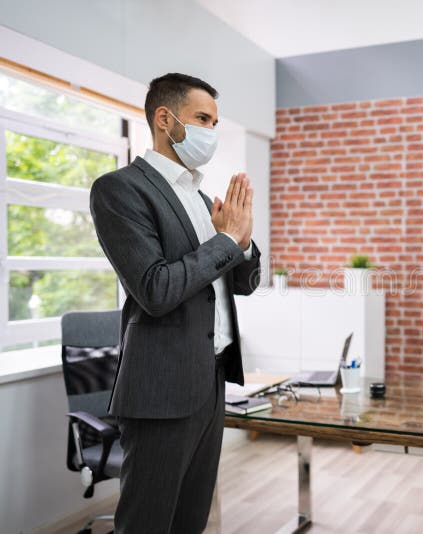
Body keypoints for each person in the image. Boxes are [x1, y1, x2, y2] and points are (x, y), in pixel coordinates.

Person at [90, 72, 261, 533]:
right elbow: (156, 289)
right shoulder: (120, 189)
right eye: (202, 118)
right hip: (161, 389)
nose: (211, 131)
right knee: (148, 524)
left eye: (215, 122)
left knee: (191, 521)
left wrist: (241, 242)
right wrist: (227, 239)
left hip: (213, 379)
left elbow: (244, 283)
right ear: (165, 119)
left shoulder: (203, 198)